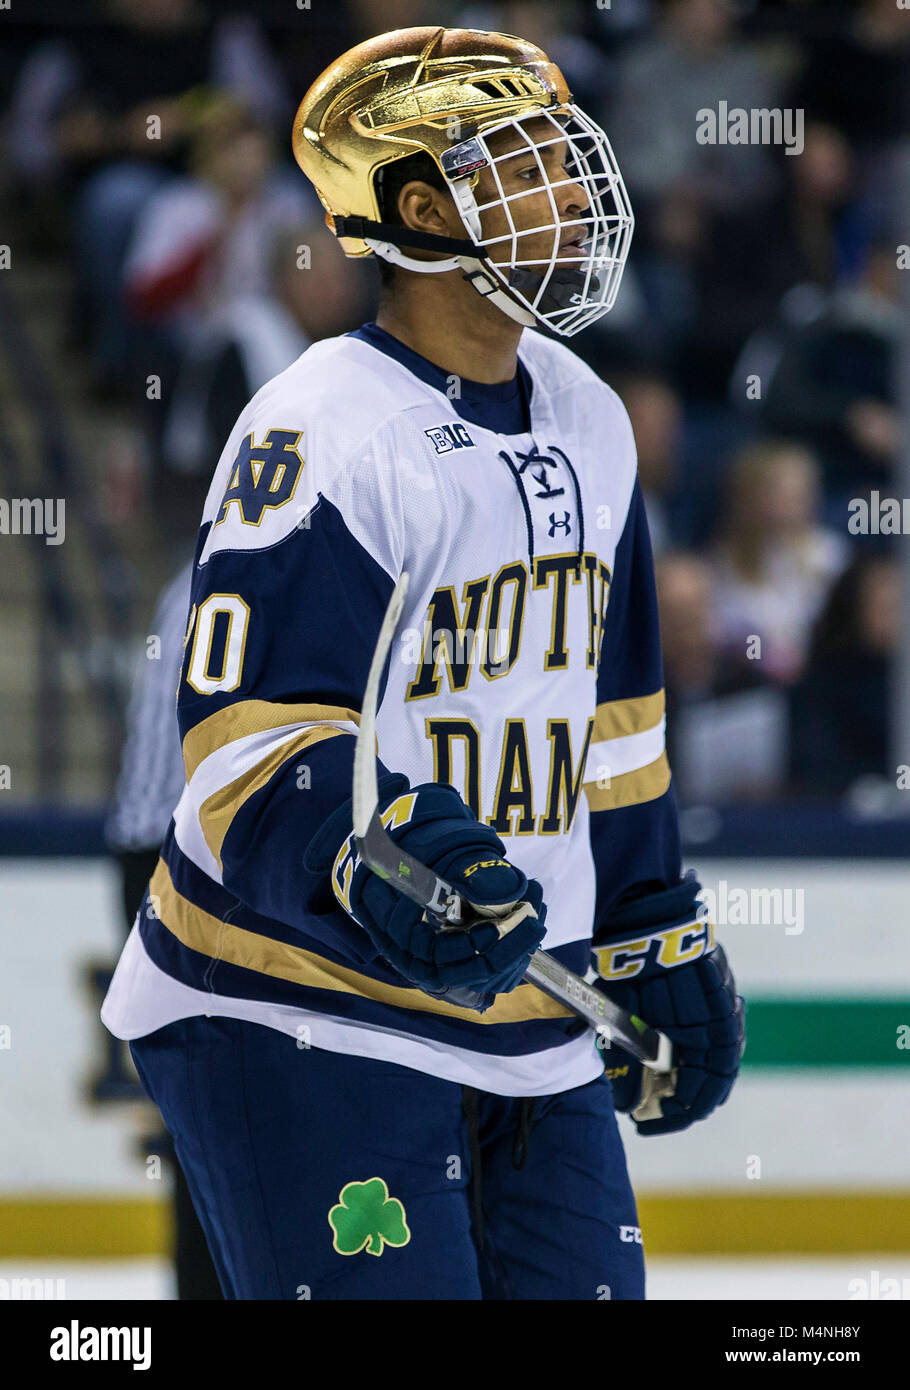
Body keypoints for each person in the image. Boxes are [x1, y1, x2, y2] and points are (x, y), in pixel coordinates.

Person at [101, 25, 743, 1301]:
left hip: (527, 1012)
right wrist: (373, 861)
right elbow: (247, 742)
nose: (572, 191)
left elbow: (612, 721)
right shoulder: (322, 424)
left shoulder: (589, 414)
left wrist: (646, 918)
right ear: (418, 206)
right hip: (294, 1002)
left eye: (566, 156)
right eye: (526, 163)